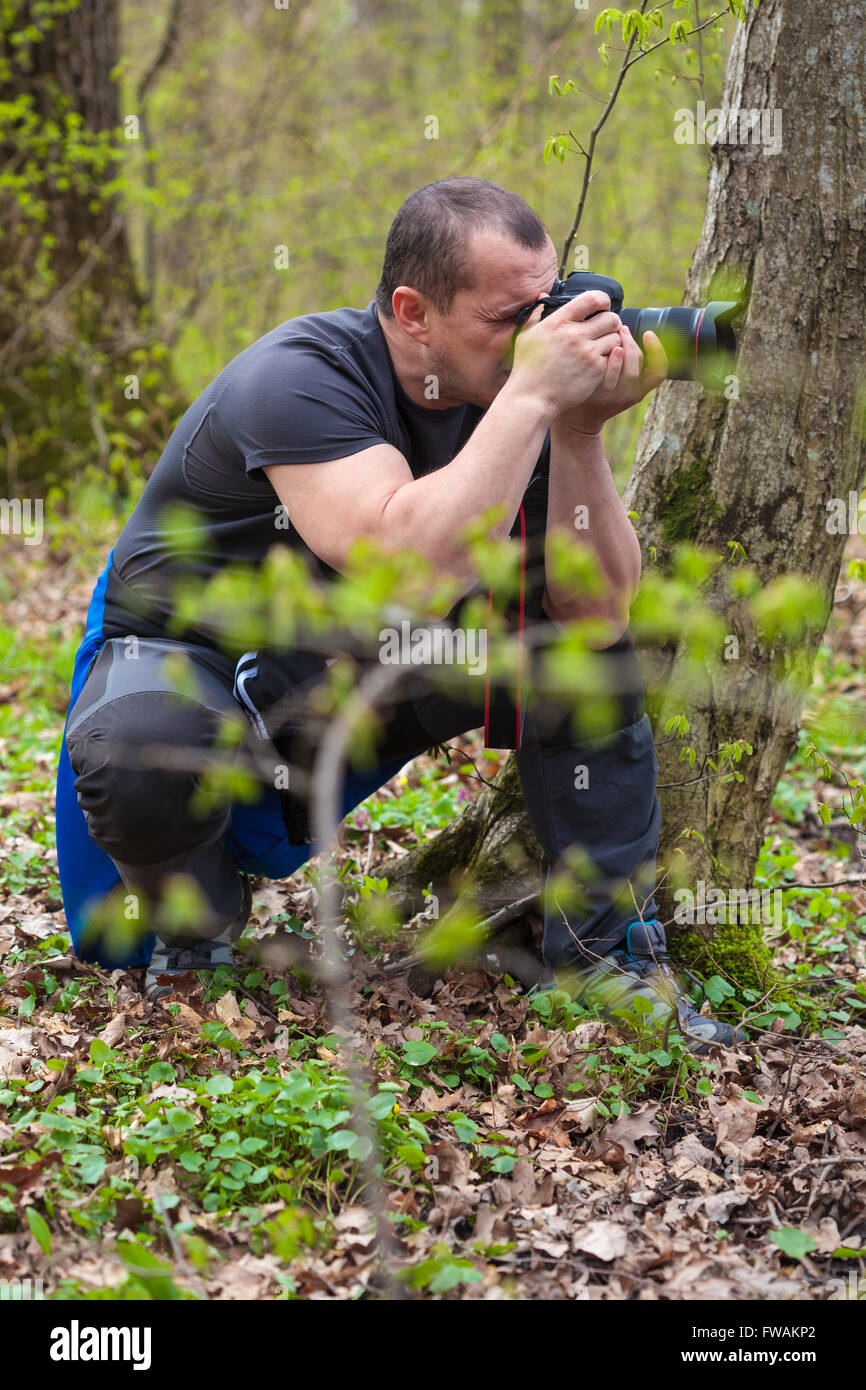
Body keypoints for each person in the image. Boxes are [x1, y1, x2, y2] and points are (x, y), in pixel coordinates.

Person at [55, 177, 745, 1051]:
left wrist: (575, 432)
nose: (536, 337)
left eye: (548, 305)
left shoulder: (509, 399)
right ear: (414, 311)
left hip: (346, 681)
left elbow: (599, 607)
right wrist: (534, 398)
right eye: (509, 317)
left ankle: (598, 953)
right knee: (129, 787)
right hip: (190, 678)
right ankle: (198, 934)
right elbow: (405, 573)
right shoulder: (299, 377)